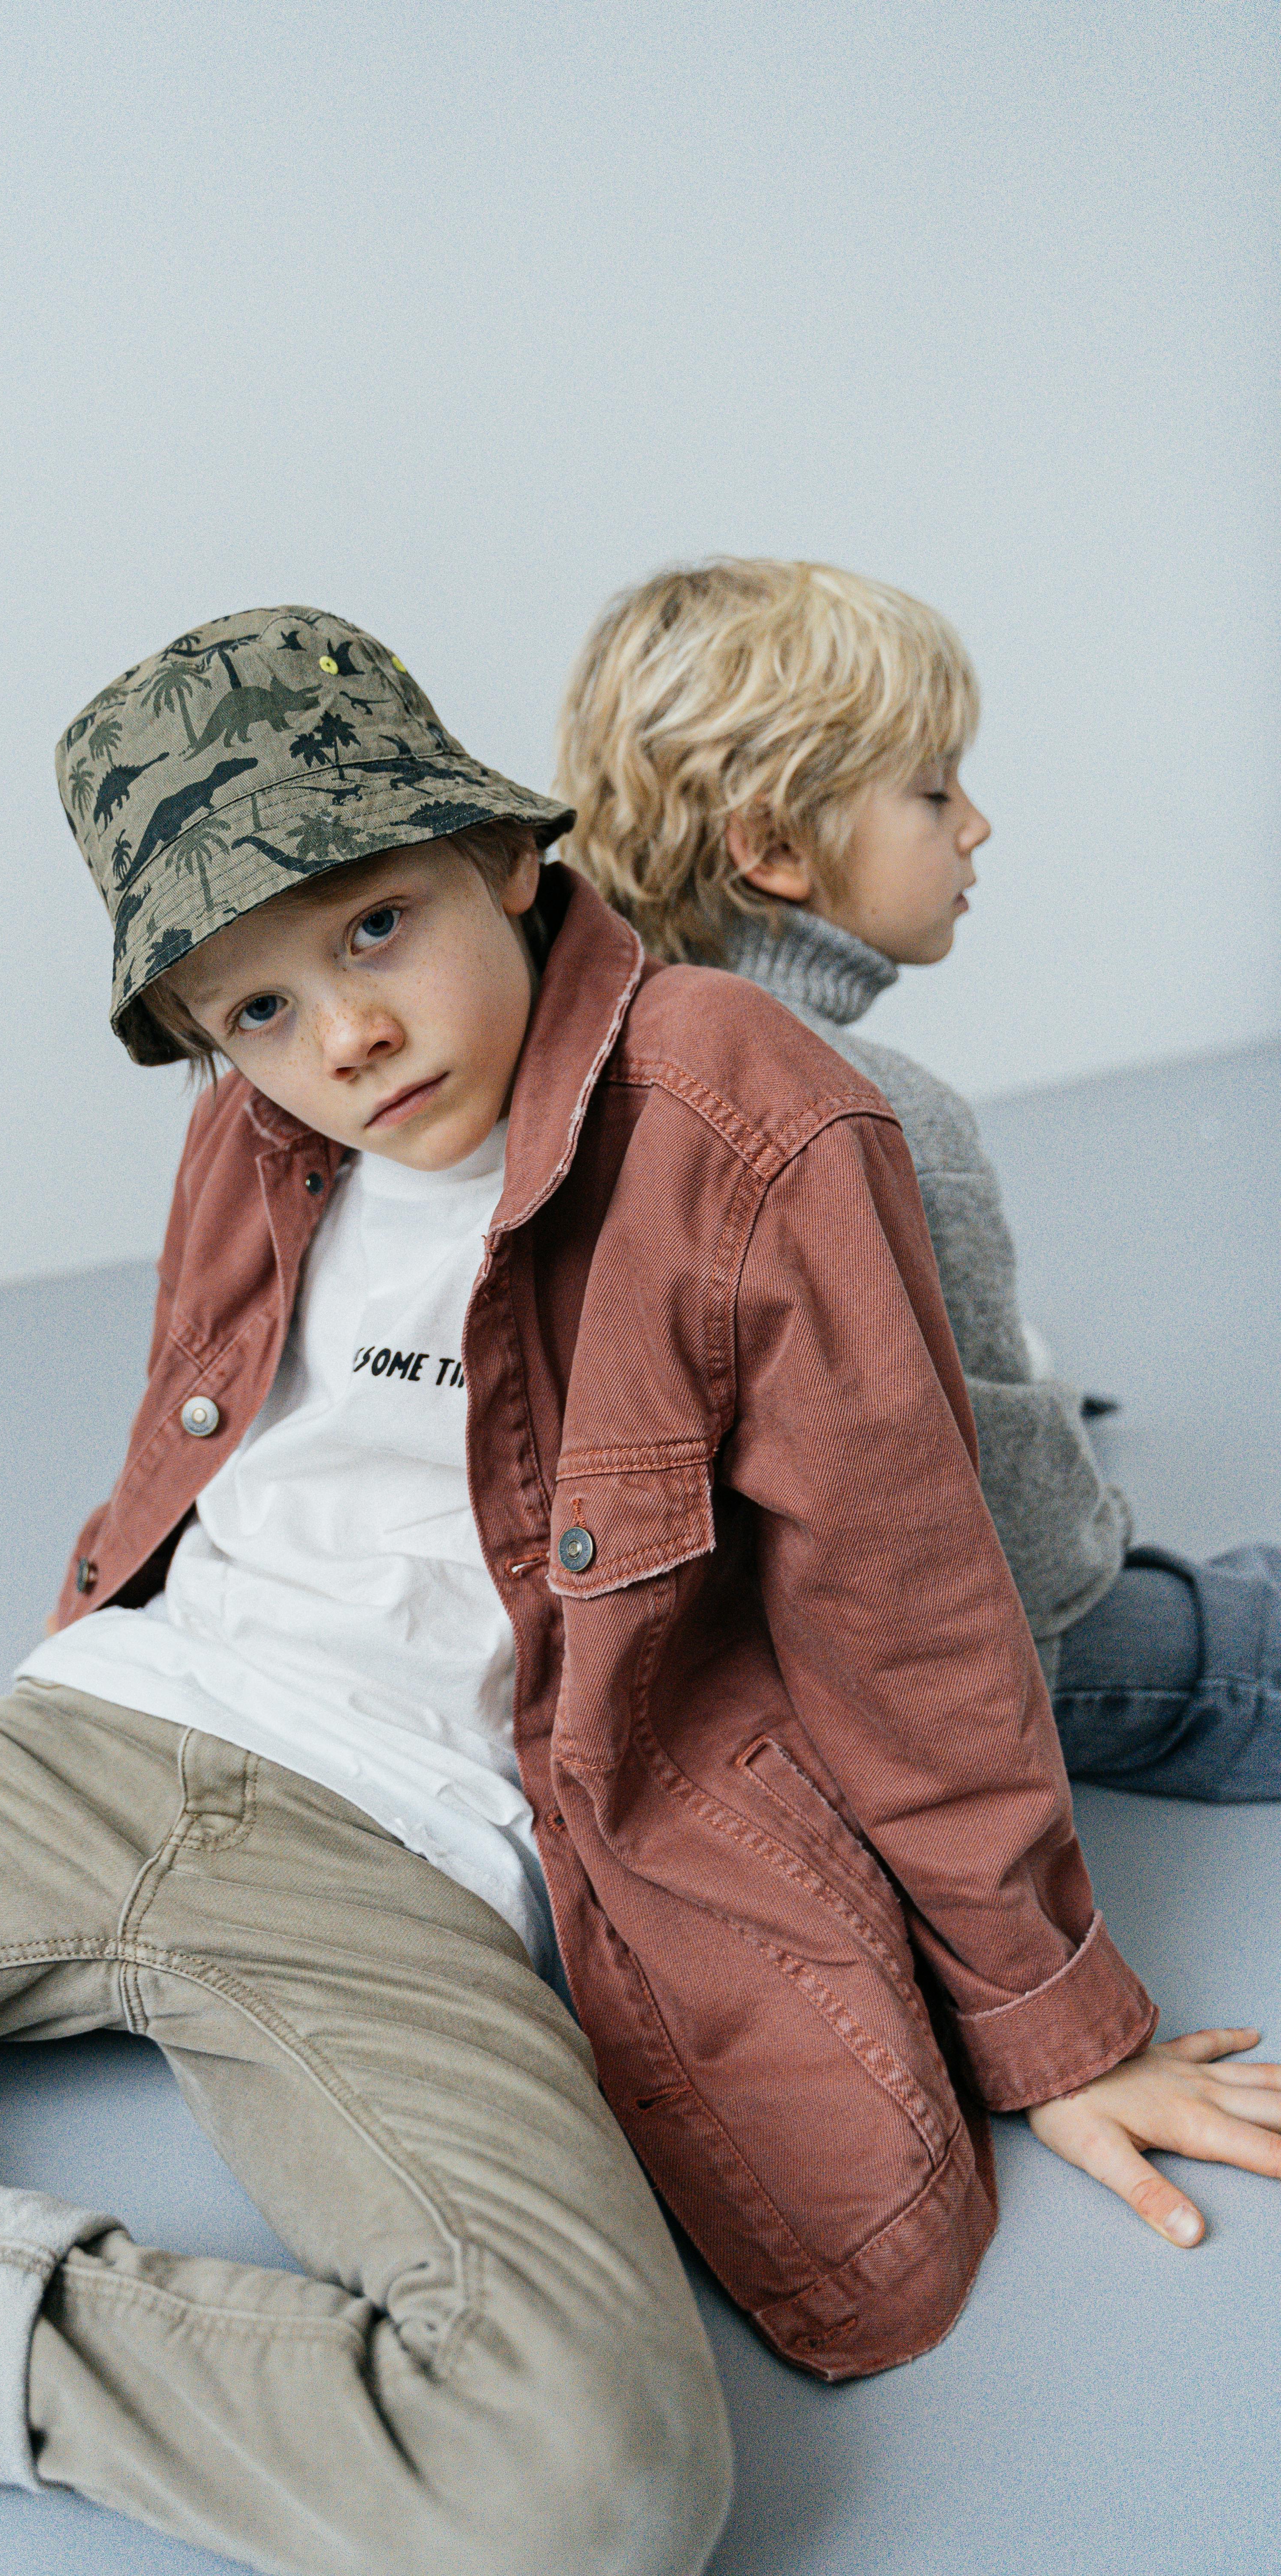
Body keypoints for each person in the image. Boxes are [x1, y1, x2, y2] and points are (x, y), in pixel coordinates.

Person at [0, 607, 1279, 2576]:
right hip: (92, 1740)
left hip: (409, 1860)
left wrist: (1056, 2024)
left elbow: (905, 1613)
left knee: (584, 2491)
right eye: (255, 1008)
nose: (341, 1039)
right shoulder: (260, 1126)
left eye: (373, 928)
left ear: (502, 858)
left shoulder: (742, 1102)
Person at [556, 557, 1281, 1802]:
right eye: (935, 791)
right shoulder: (878, 1115)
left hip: (702, 1665)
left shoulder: (593, 1056)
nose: (974, 825)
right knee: (1250, 1637)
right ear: (775, 849)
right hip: (894, 1679)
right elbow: (1039, 1570)